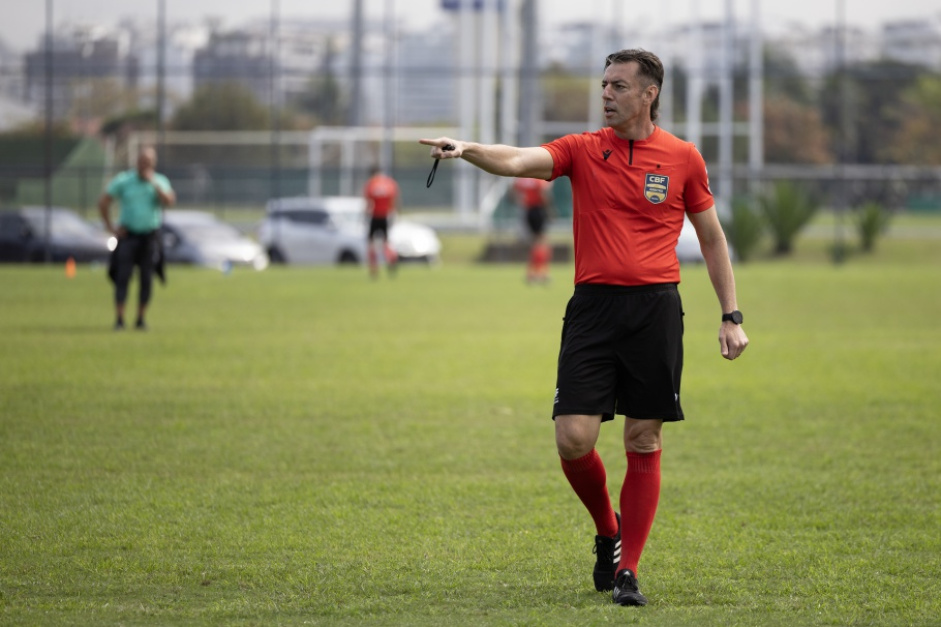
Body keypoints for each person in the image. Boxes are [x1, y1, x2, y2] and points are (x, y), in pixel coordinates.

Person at [420, 48, 748, 607]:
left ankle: (630, 572)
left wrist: (730, 315)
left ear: (650, 94)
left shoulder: (683, 158)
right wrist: (469, 149)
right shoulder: (581, 149)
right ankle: (607, 528)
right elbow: (519, 160)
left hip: (655, 311)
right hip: (592, 311)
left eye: (619, 86)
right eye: (603, 84)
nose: (606, 95)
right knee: (573, 440)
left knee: (643, 437)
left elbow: (712, 238)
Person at [99, 146, 176, 330]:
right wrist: (111, 227)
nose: (144, 166)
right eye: (142, 162)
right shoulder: (124, 181)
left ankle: (140, 319)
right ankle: (119, 319)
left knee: (146, 279)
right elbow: (104, 202)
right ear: (136, 163)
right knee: (122, 276)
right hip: (128, 236)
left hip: (149, 237)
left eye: (148, 163)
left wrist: (154, 185)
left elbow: (170, 201)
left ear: (153, 164)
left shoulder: (159, 181)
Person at [512, 177, 553, 283]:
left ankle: (531, 273)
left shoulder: (522, 179)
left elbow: (513, 191)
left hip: (528, 210)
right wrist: (549, 210)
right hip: (538, 210)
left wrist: (521, 201)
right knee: (542, 241)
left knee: (534, 242)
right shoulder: (538, 178)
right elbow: (543, 194)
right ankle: (542, 273)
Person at [362, 166, 400, 278]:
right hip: (386, 216)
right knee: (386, 242)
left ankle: (374, 268)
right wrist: (395, 213)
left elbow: (368, 203)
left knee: (371, 244)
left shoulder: (370, 184)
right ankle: (391, 259)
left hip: (375, 216)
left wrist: (365, 216)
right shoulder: (390, 183)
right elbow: (395, 200)